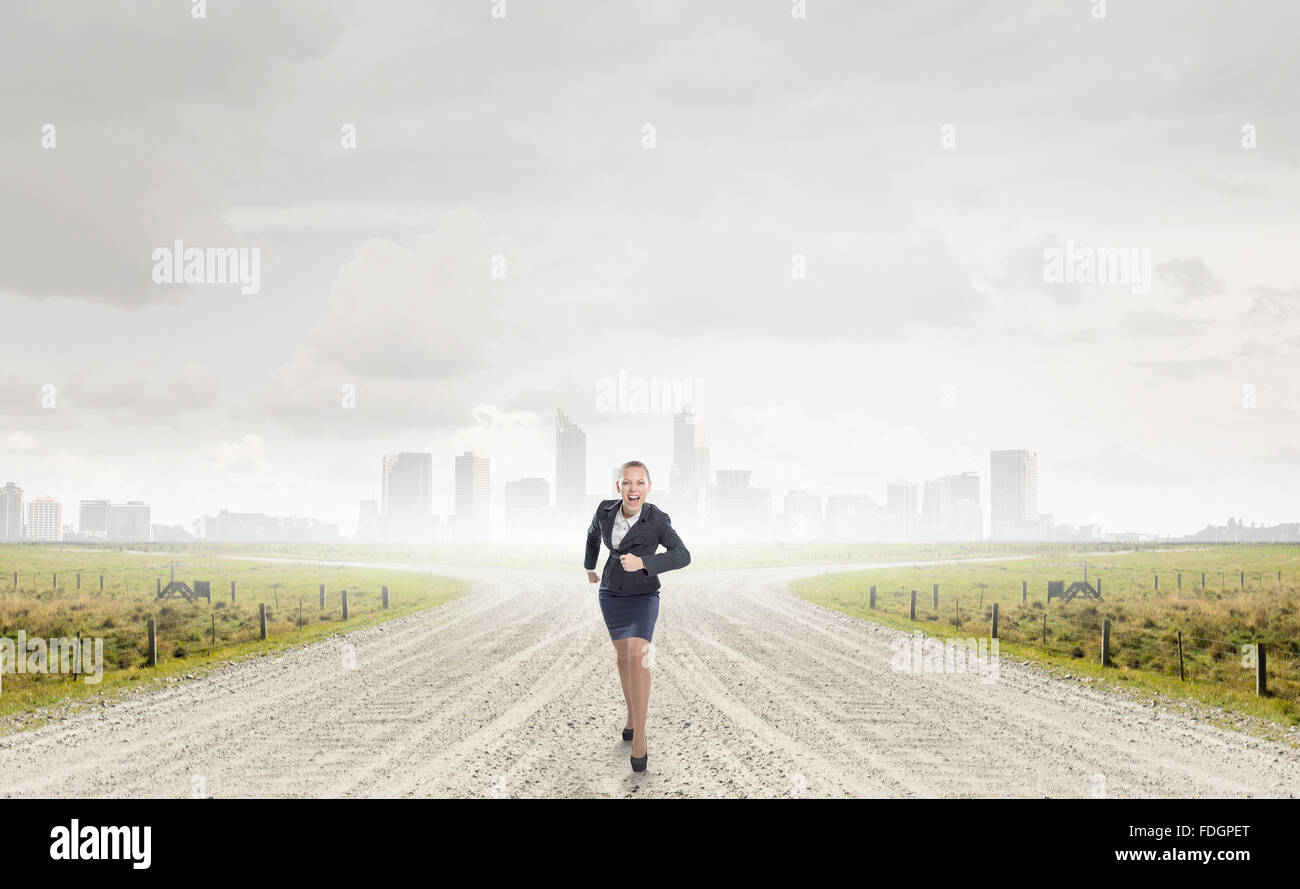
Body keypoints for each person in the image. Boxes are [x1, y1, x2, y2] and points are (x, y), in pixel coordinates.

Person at [584, 460, 691, 772]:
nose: (633, 489)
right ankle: (631, 716)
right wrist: (590, 565)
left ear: (648, 487)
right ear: (619, 486)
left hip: (644, 594)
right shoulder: (605, 511)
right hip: (611, 592)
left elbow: (682, 555)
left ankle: (640, 736)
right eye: (627, 483)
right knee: (622, 657)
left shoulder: (657, 518)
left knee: (639, 655)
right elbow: (592, 535)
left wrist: (645, 562)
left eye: (639, 483)